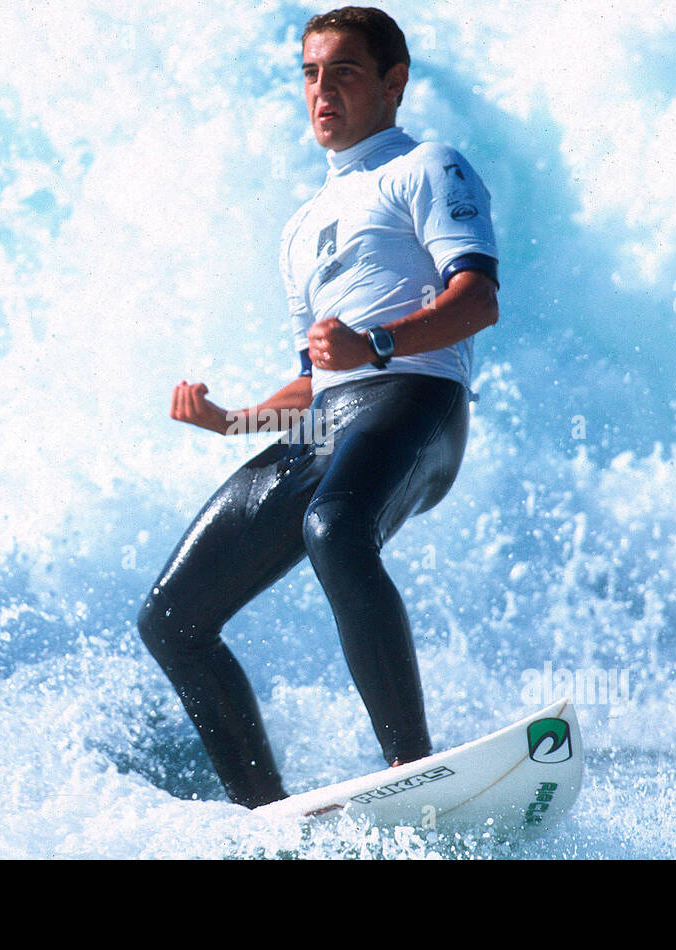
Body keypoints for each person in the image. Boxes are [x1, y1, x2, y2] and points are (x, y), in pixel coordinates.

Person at [137, 6, 500, 808]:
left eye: (343, 72)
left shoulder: (430, 166)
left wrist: (376, 344)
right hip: (330, 423)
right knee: (172, 620)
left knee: (335, 529)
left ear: (392, 84)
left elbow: (475, 300)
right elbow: (314, 378)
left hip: (419, 398)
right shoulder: (300, 229)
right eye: (310, 73)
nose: (322, 90)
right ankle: (267, 815)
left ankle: (415, 773)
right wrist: (232, 421)